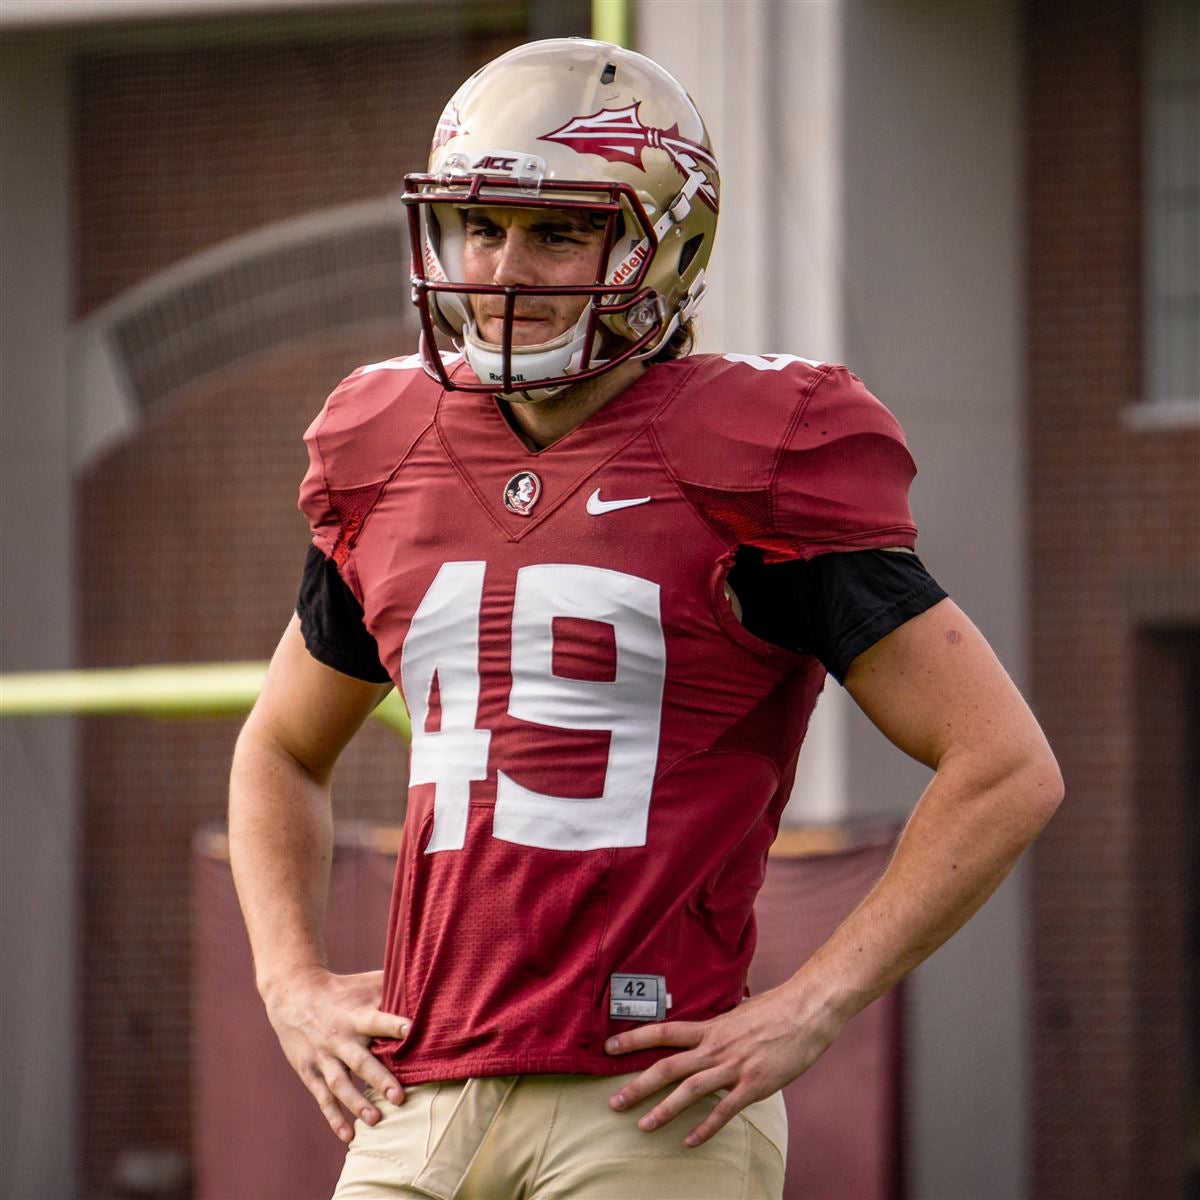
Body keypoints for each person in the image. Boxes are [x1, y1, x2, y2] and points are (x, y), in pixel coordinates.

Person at [228, 37, 1062, 1200]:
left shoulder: (765, 450)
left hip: (645, 1109)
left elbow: (1004, 764)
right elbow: (279, 746)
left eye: (559, 231)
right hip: (416, 1098)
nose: (503, 268)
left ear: (665, 246)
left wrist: (811, 1008)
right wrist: (289, 982)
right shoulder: (385, 442)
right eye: (481, 226)